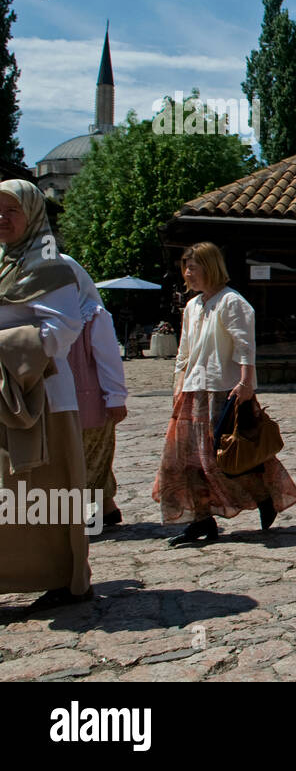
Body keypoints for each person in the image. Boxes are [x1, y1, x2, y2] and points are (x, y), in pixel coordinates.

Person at [153, 242, 296, 544]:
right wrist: (178, 386)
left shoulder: (231, 302)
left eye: (193, 266)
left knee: (224, 458)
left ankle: (264, 497)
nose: (188, 272)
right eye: (186, 267)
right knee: (184, 461)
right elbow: (184, 352)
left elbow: (245, 344)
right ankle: (201, 519)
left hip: (223, 389)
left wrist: (246, 383)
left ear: (210, 267)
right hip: (193, 390)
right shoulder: (193, 306)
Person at [0, 180, 92, 609]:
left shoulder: (50, 265)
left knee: (49, 495)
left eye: (11, 210)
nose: (2, 218)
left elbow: (63, 329)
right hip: (4, 395)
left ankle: (64, 578)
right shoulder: (4, 263)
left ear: (34, 213)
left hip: (43, 397)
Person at [61, 254, 129, 528]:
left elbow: (108, 360)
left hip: (91, 403)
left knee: (91, 459)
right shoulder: (51, 316)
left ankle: (92, 513)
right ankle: (107, 509)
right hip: (62, 402)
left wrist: (115, 397)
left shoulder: (93, 315)